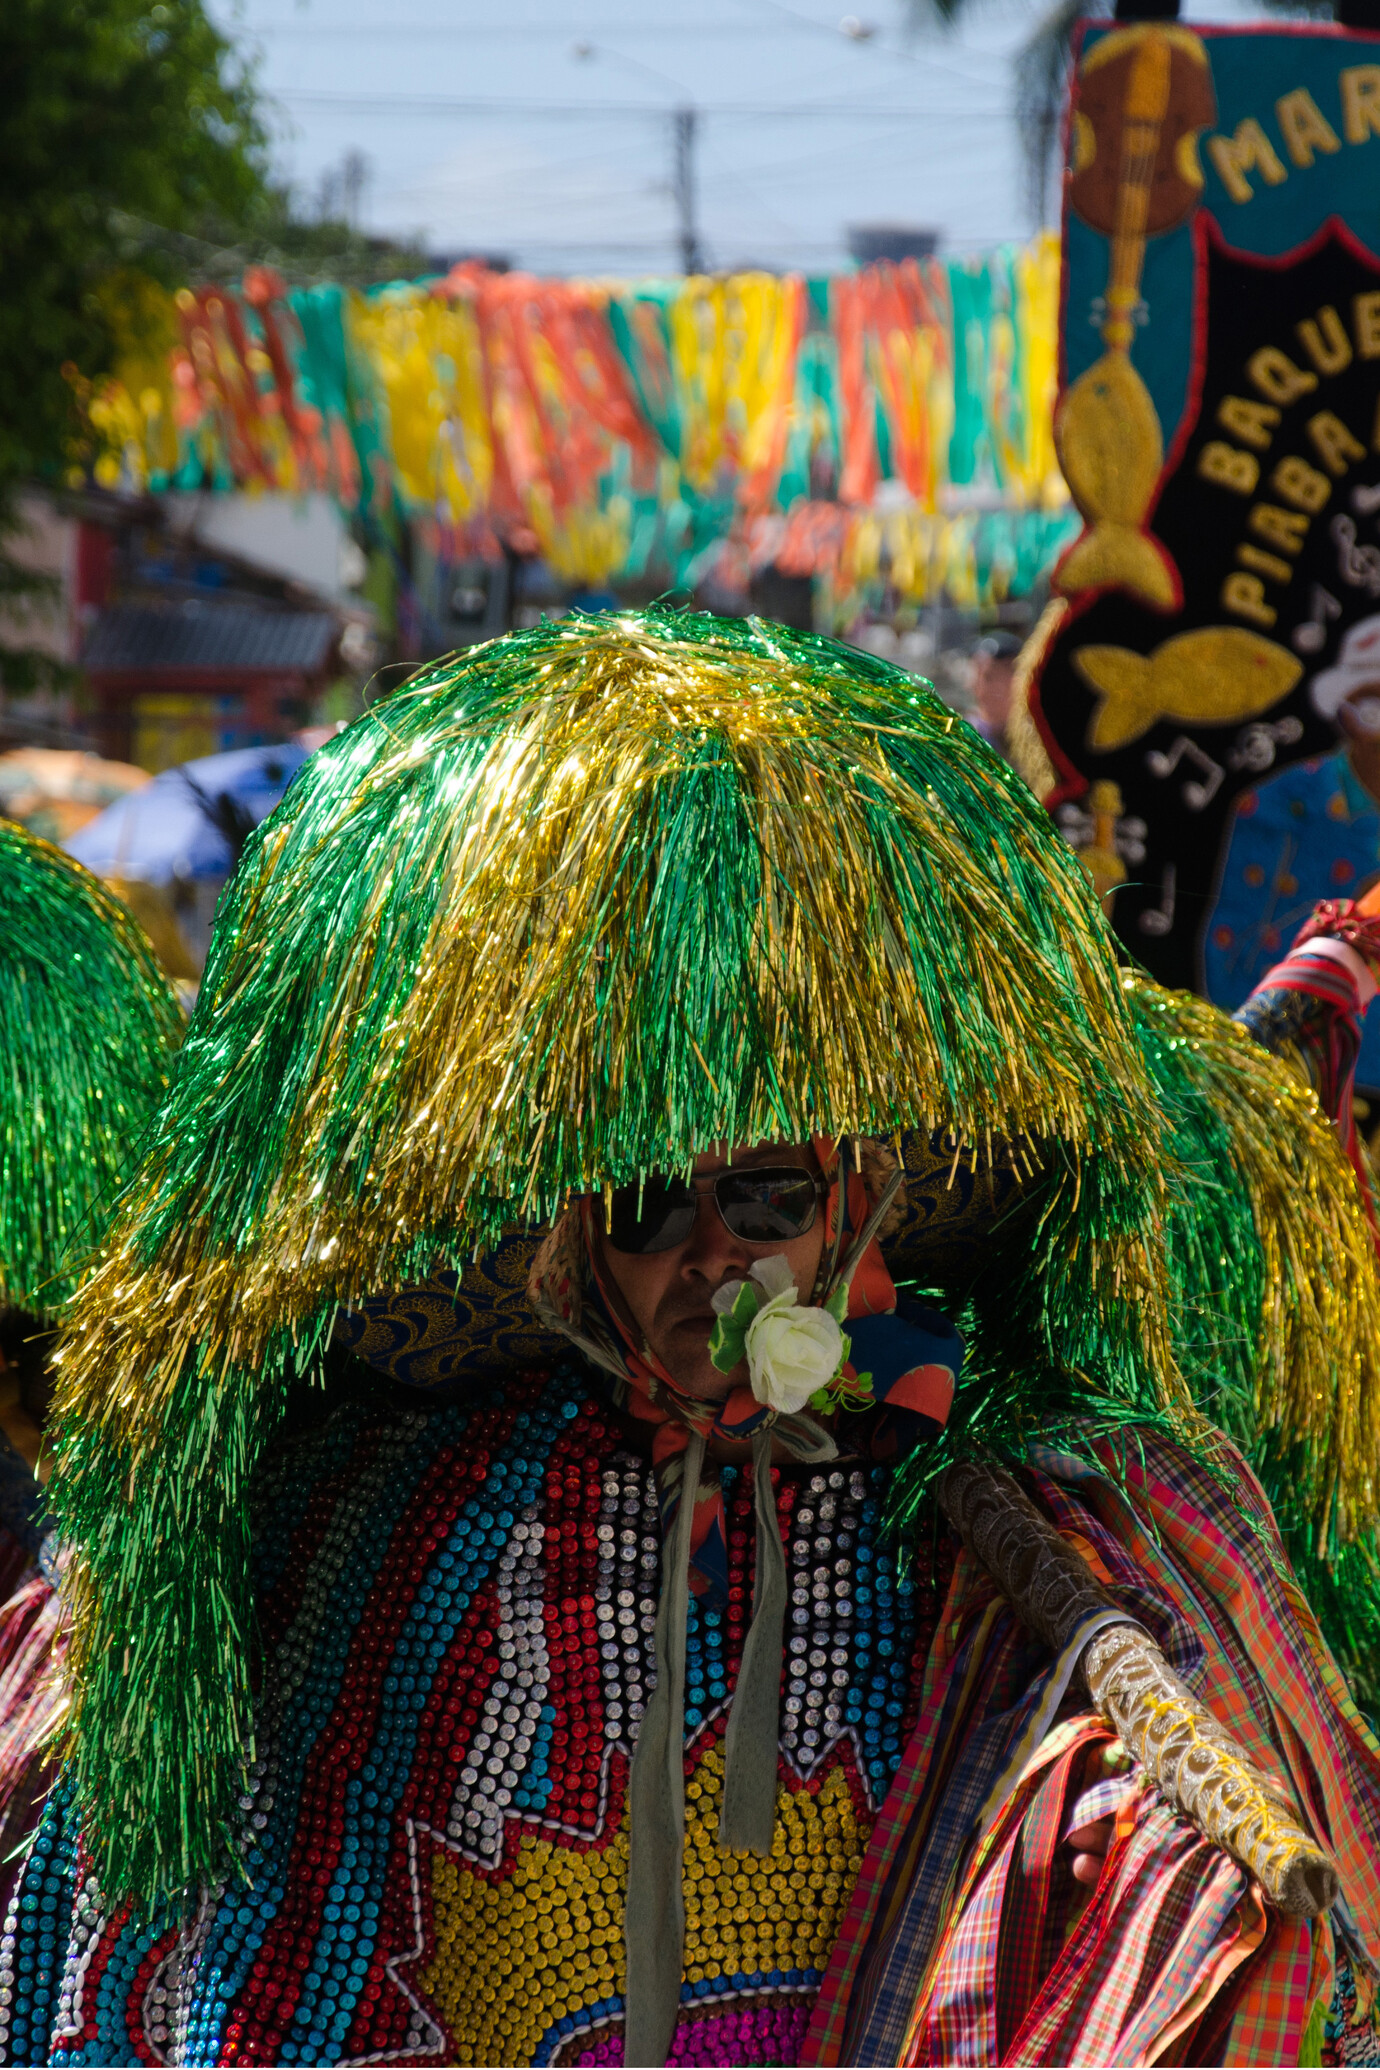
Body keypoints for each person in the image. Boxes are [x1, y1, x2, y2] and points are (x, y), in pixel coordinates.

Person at [7, 610, 1380, 2069]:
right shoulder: (403, 1526)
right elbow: (246, 1949)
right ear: (573, 1245)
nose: (719, 1253)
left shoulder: (1054, 1501)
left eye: (770, 1193)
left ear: (861, 1203)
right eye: (656, 1206)